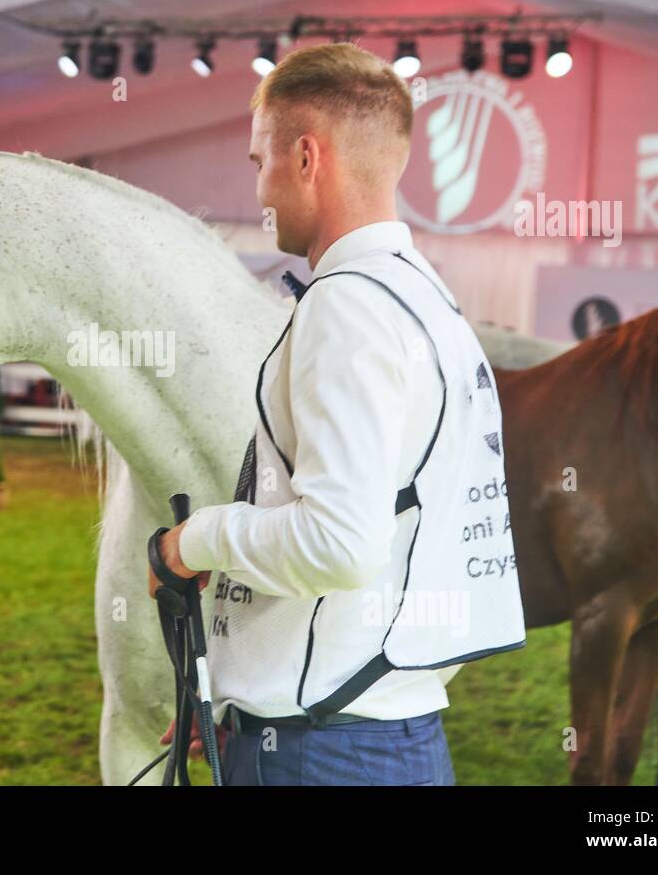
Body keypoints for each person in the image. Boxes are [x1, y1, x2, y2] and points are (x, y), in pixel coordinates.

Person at [148, 43, 525, 785]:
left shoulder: (347, 305)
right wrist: (235, 691)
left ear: (308, 157)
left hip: (324, 752)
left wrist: (194, 540)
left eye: (261, 160)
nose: (258, 186)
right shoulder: (425, 298)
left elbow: (339, 545)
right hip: (374, 727)